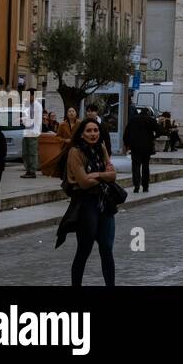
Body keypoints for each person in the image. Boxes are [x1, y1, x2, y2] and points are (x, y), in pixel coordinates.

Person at [61, 118, 119, 286]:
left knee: (107, 249)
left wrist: (97, 175)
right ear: (81, 134)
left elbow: (113, 175)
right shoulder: (75, 152)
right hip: (86, 204)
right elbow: (83, 182)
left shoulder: (101, 148)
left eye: (96, 130)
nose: (93, 134)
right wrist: (103, 176)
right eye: (89, 131)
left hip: (104, 202)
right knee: (84, 250)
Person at [123, 107, 160, 193]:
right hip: (147, 147)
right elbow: (159, 131)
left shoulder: (133, 120)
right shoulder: (151, 120)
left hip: (135, 147)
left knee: (135, 167)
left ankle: (136, 186)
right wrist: (153, 137)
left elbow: (126, 133)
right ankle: (145, 186)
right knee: (145, 166)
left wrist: (127, 144)